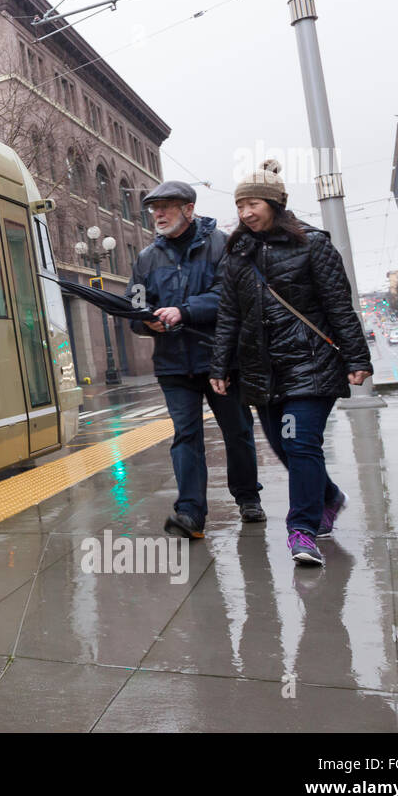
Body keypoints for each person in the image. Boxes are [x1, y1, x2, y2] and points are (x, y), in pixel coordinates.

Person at [208, 159, 372, 567]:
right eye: (240, 205)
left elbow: (339, 305)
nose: (246, 213)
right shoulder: (236, 254)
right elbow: (229, 315)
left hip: (309, 364)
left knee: (301, 445)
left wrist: (357, 356)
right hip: (261, 368)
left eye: (254, 204)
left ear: (275, 203)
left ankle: (301, 530)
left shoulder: (313, 244)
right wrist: (219, 367)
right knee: (284, 447)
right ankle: (329, 496)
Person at [129, 180, 263, 539]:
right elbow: (135, 304)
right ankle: (190, 513)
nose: (158, 214)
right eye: (154, 209)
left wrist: (183, 311)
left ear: (189, 209)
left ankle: (248, 497)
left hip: (221, 360)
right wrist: (146, 321)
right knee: (185, 436)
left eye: (166, 207)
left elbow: (230, 295)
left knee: (236, 431)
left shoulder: (222, 244)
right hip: (173, 365)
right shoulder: (146, 258)